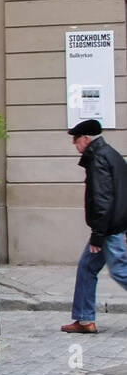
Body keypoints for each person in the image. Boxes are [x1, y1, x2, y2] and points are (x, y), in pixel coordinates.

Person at [66, 119, 127, 334]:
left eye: (75, 139)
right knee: (86, 268)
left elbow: (102, 199)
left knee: (121, 271)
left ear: (86, 138)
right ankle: (84, 320)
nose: (75, 144)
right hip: (112, 224)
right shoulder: (111, 154)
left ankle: (84, 319)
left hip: (109, 227)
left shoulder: (98, 158)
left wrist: (98, 234)